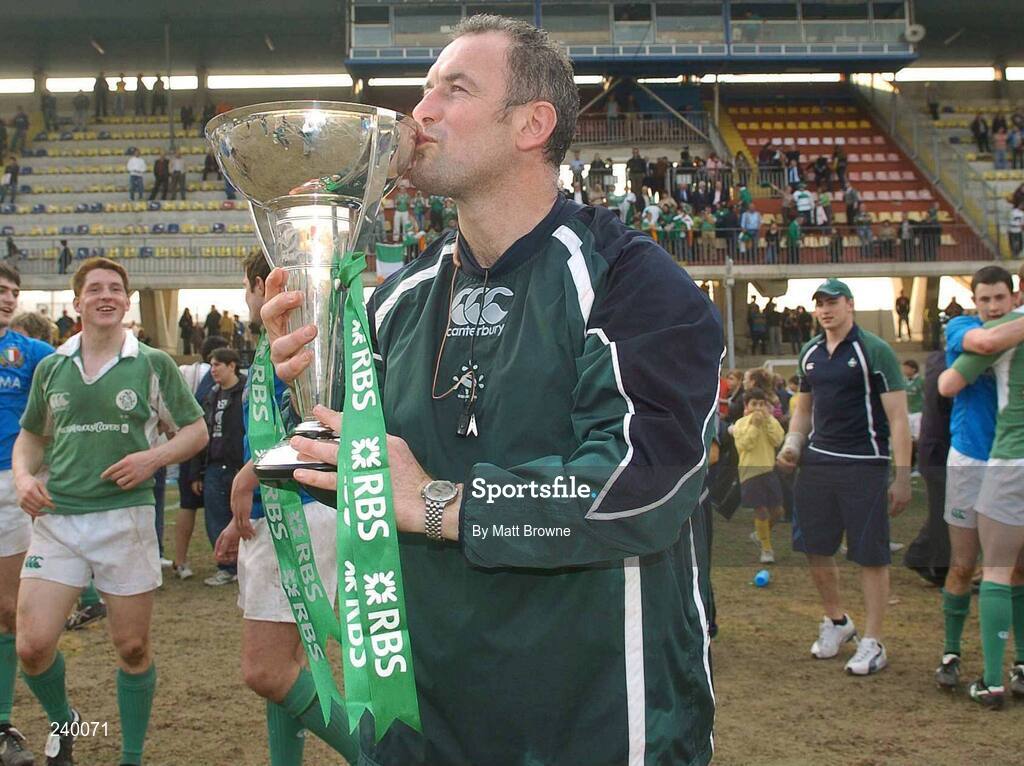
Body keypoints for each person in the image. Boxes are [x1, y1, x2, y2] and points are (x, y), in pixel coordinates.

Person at [260, 14, 721, 765]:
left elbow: (641, 492)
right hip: (429, 718)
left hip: (597, 722)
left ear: (532, 124)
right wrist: (299, 380)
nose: (422, 112)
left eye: (455, 89)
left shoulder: (633, 284)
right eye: (424, 89)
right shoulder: (397, 298)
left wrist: (437, 503)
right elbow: (343, 465)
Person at [12, 257, 207, 766]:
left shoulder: (151, 363)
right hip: (58, 521)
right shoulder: (52, 366)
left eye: (115, 289)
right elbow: (32, 437)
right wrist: (24, 477)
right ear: (76, 303)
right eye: (94, 289)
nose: (106, 296)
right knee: (32, 647)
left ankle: (131, 756)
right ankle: (65, 720)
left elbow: (195, 431)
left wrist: (154, 457)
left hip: (126, 521)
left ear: (125, 301)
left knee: (132, 649)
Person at [211, 250, 352, 765]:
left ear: (258, 284)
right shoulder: (289, 339)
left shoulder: (303, 338)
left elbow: (310, 425)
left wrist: (245, 480)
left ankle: (371, 754)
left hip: (299, 507)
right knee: (293, 661)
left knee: (266, 669)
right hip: (287, 509)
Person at [777, 278, 911, 676]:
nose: (825, 310)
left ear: (849, 305)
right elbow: (803, 410)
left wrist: (902, 476)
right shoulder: (810, 352)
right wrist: (792, 444)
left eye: (832, 302)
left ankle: (873, 640)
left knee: (870, 554)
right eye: (819, 304)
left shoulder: (875, 351)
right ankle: (837, 621)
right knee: (815, 547)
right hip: (818, 464)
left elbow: (899, 419)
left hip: (864, 463)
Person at [932, 265, 1024, 701]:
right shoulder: (963, 327)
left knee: (1010, 569)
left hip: (1008, 462)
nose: (991, 306)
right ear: (975, 302)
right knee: (963, 565)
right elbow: (947, 384)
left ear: (1012, 298)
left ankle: (1017, 663)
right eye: (984, 299)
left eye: (999, 299)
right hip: (971, 460)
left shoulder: (1014, 329)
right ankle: (951, 652)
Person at [0, 265, 54, 766]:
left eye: (13, 292)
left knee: (8, 609)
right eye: (1, 290)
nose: (8, 298)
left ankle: (4, 723)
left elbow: (66, 401)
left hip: (6, 484)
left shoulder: (34, 354)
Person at [189, 348, 246, 586]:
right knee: (215, 519)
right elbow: (201, 435)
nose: (213, 370)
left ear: (231, 366)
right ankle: (225, 566)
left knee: (243, 518)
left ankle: (242, 565)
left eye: (217, 365)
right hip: (214, 466)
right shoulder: (210, 395)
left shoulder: (247, 393)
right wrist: (196, 472)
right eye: (211, 365)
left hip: (238, 467)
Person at [731, 388, 784, 564]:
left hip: (769, 470)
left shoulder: (771, 421)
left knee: (778, 511)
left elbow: (778, 440)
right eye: (754, 404)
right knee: (761, 510)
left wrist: (768, 421)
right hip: (750, 472)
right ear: (747, 406)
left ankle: (760, 534)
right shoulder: (740, 424)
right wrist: (754, 425)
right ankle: (766, 548)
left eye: (761, 404)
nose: (758, 408)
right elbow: (745, 444)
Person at [903, 359, 923, 447]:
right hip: (908, 412)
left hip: (918, 412)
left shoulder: (921, 381)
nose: (905, 370)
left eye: (907, 368)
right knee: (908, 436)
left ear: (914, 369)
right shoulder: (903, 381)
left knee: (918, 436)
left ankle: (920, 455)